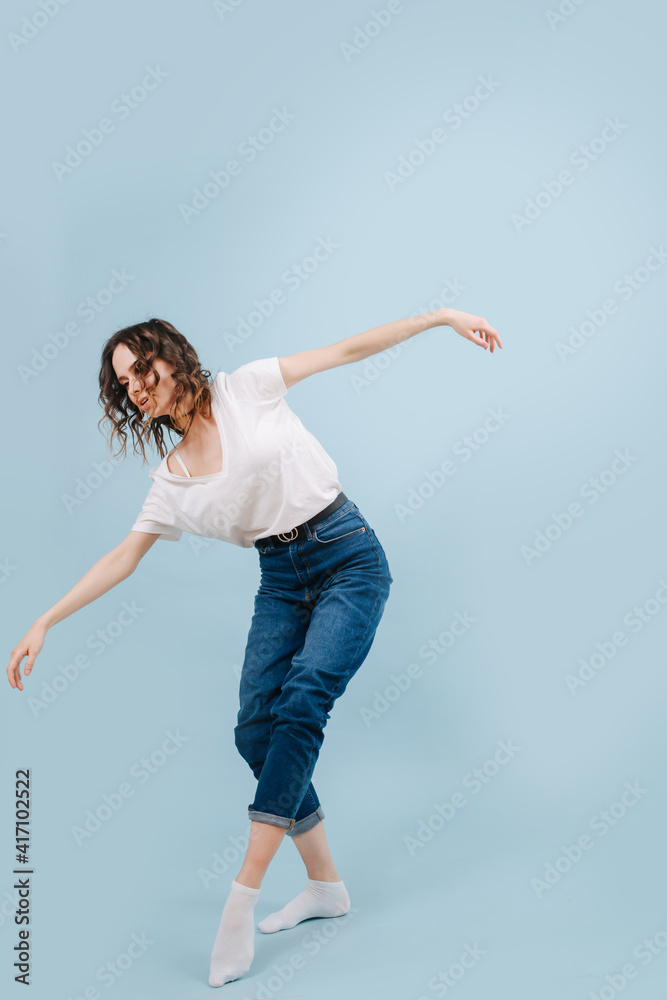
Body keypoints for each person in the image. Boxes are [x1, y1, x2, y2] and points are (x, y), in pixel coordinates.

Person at [6, 308, 502, 987]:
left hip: (347, 556)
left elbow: (349, 345)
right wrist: (45, 619)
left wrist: (441, 317)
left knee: (302, 703)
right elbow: (123, 556)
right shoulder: (173, 480)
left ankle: (242, 894)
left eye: (141, 370)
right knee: (252, 733)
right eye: (122, 384)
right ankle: (325, 886)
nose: (135, 389)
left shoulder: (248, 387)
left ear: (172, 358)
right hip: (280, 579)